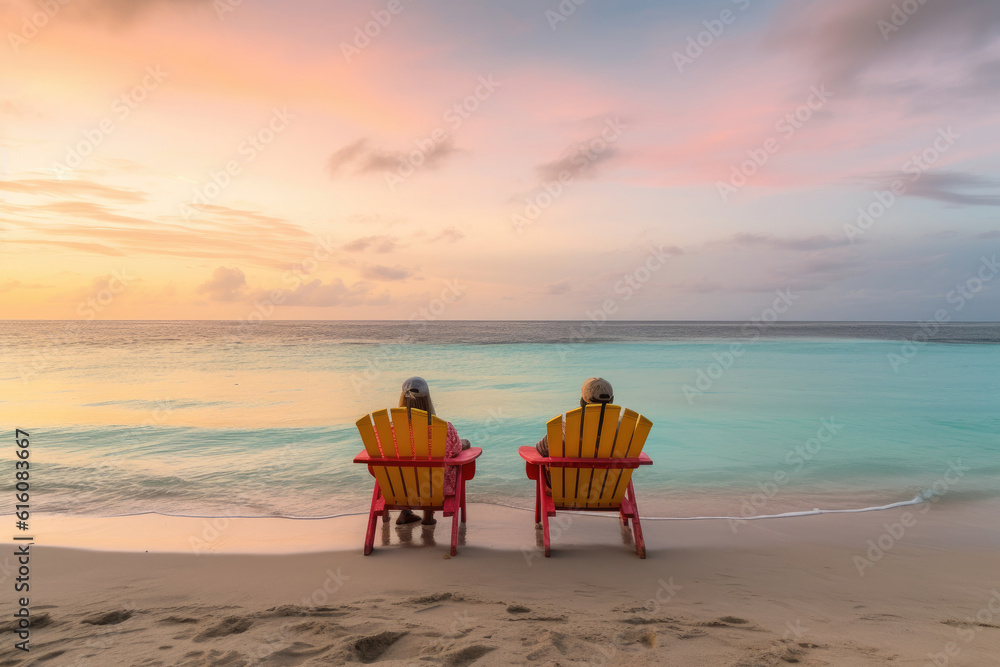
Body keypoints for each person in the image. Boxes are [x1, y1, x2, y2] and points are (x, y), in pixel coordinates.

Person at [393, 376, 470, 526]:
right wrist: (464, 444)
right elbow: (455, 450)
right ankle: (428, 517)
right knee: (435, 465)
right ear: (428, 399)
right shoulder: (443, 428)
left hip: (399, 490)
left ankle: (405, 511)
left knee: (406, 465)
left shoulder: (391, 431)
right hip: (433, 491)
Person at [535, 377, 616, 457]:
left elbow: (542, 450)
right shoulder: (621, 430)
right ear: (611, 400)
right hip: (610, 470)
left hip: (568, 470)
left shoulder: (566, 429)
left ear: (582, 401)